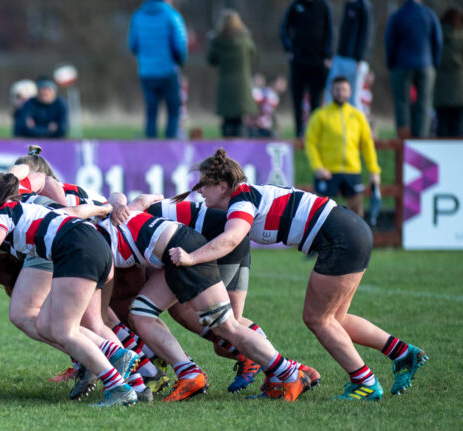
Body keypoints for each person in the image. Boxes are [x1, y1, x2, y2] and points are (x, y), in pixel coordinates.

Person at [168, 149, 429, 401]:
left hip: (339, 237)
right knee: (335, 318)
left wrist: (191, 257)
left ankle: (366, 383)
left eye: (203, 184)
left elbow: (230, 240)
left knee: (318, 319)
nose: (199, 190)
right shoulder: (244, 197)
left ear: (222, 186)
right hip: (349, 230)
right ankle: (403, 354)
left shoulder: (241, 201)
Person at [0, 171, 141, 407]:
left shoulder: (1, 215)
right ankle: (115, 353)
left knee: (64, 330)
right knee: (45, 324)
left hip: (77, 251)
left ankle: (118, 387)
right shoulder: (20, 208)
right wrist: (103, 209)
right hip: (90, 245)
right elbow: (75, 213)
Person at [102, 196, 315, 402]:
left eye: (206, 185)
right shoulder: (92, 220)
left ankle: (291, 373)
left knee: (225, 325)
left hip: (188, 247)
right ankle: (190, 374)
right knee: (142, 313)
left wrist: (120, 203)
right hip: (180, 247)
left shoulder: (88, 231)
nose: (201, 191)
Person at [305, 76, 381, 217]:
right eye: (337, 89)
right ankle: (322, 240)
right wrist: (318, 167)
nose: (340, 93)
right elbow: (310, 143)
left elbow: (367, 145)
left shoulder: (358, 116)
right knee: (320, 214)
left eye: (344, 90)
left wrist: (374, 171)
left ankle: (356, 240)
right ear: (331, 91)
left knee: (356, 214)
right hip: (327, 171)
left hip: (352, 170)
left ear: (350, 92)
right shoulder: (320, 115)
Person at [128, 0, 187, 139]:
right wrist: (180, 61)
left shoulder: (137, 16)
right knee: (173, 111)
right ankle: (170, 144)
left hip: (146, 72)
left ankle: (150, 148)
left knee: (151, 112)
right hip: (168, 71)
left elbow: (132, 45)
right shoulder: (172, 15)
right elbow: (180, 44)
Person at [386, 0, 442, 138]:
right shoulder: (429, 14)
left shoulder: (398, 15)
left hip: (402, 64)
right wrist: (434, 63)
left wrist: (391, 63)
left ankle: (404, 138)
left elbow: (389, 41)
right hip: (426, 64)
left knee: (402, 102)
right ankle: (421, 138)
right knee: (424, 102)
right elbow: (438, 41)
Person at [281, 0, 334, 138]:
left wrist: (327, 55)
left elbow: (330, 32)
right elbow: (283, 29)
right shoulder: (296, 6)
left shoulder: (323, 6)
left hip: (317, 62)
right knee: (297, 98)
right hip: (298, 61)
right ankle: (299, 132)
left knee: (316, 100)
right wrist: (289, 49)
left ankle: (314, 133)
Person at [208, 10, 257, 138]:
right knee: (240, 120)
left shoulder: (218, 42)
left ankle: (225, 147)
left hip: (225, 86)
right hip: (242, 86)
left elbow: (211, 60)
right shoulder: (246, 40)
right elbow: (254, 56)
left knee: (226, 120)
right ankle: (239, 146)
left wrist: (211, 42)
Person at [323, 0, 373, 109]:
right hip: (340, 57)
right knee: (330, 91)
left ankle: (359, 125)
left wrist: (361, 57)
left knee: (354, 97)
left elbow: (367, 33)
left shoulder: (364, 6)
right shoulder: (348, 5)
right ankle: (330, 123)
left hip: (355, 60)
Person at [434, 7, 463, 137]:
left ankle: (441, 156)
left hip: (440, 89)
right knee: (458, 126)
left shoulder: (437, 36)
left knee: (442, 125)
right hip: (460, 89)